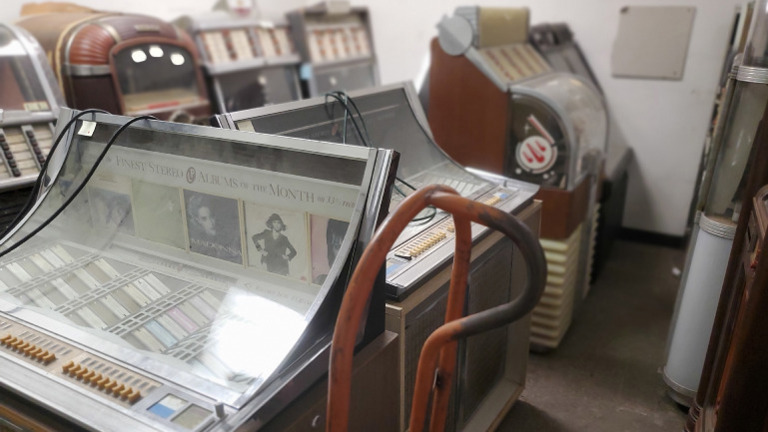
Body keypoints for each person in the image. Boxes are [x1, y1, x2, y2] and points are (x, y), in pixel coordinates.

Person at [187, 194, 241, 263]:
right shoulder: (195, 240)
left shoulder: (232, 237)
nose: (211, 223)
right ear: (198, 220)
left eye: (212, 216)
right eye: (204, 219)